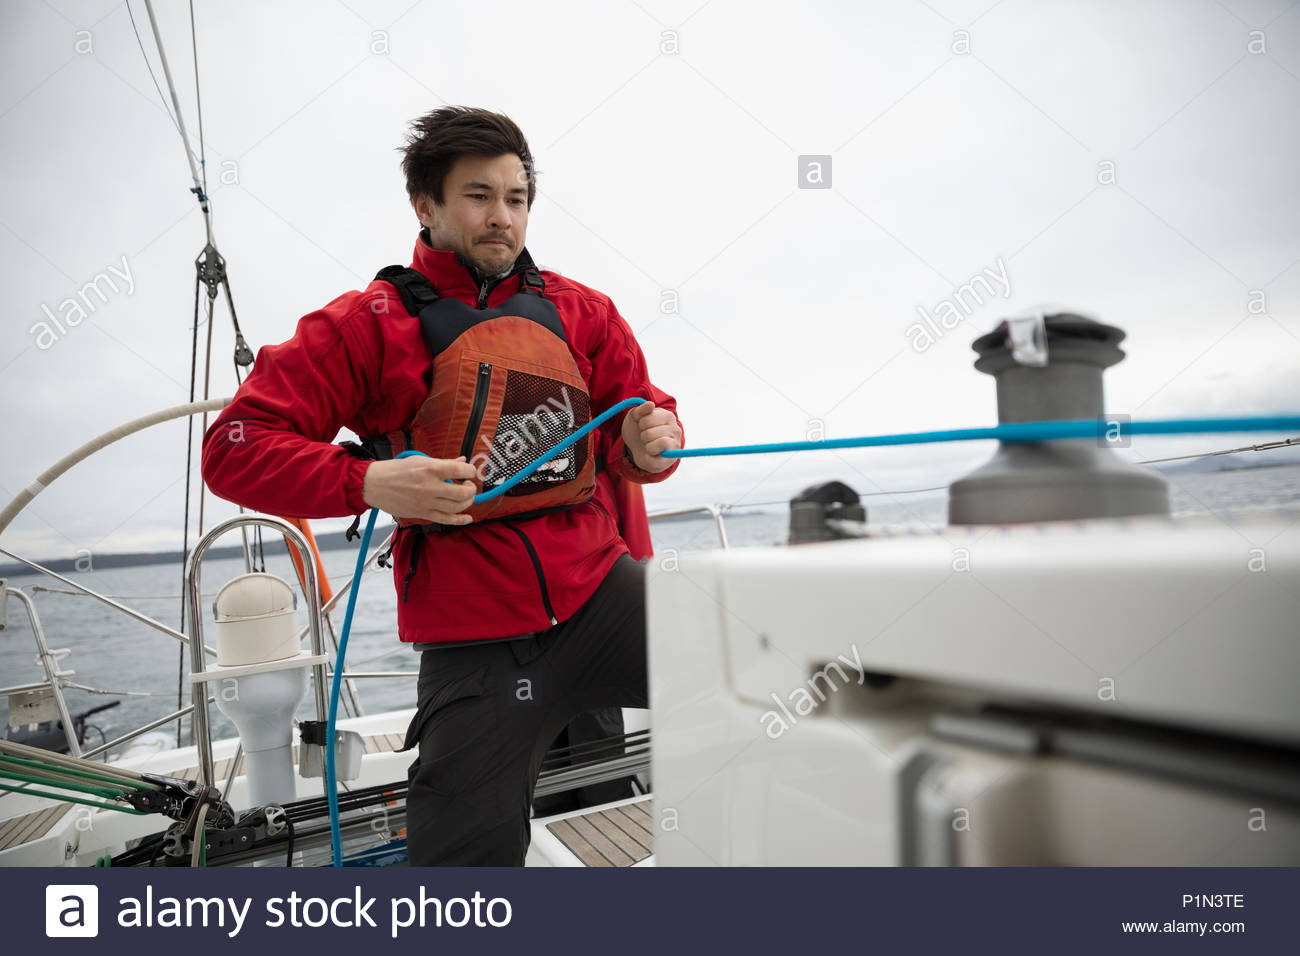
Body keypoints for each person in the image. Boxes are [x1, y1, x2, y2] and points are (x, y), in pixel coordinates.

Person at [200, 106, 683, 865]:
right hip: (477, 639)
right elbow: (232, 447)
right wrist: (369, 481)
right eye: (478, 196)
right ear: (424, 205)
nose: (502, 217)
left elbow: (646, 421)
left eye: (517, 198)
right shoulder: (366, 326)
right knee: (460, 874)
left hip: (601, 596)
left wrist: (654, 445)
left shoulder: (582, 312)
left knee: (783, 685)